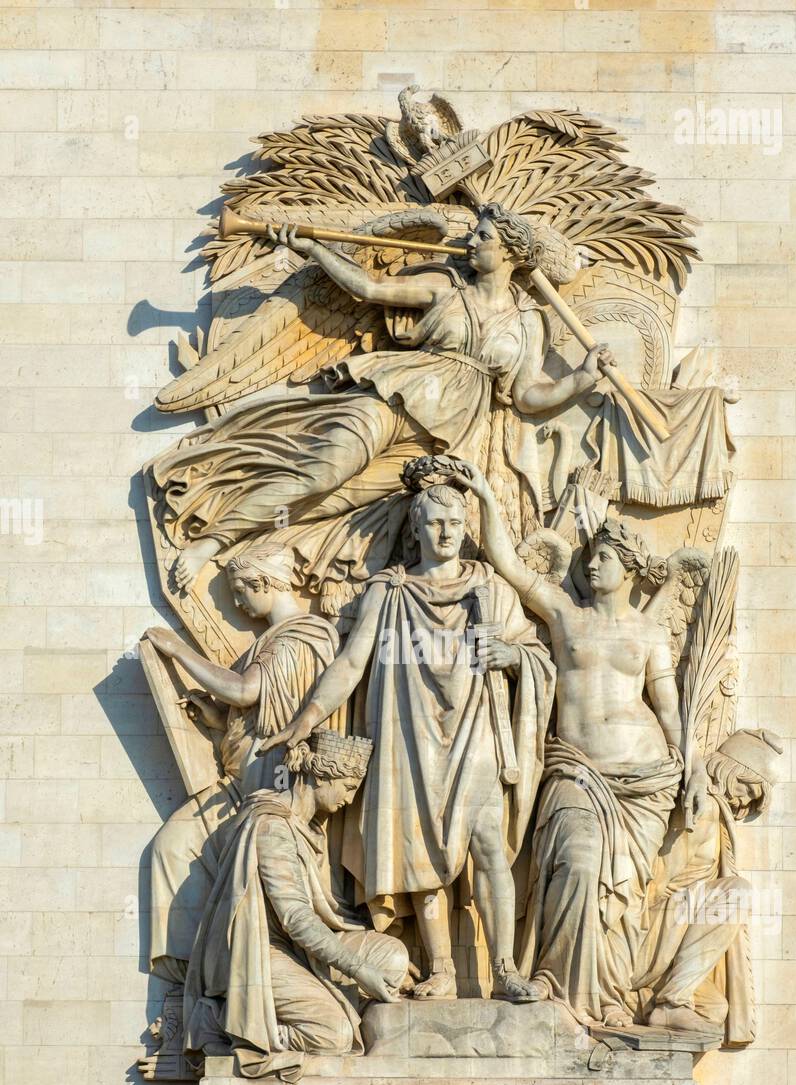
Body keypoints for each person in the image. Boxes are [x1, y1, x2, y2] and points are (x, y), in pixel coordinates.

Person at [150, 202, 614, 590]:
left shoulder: (528, 321)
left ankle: (252, 537)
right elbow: (369, 288)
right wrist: (315, 248)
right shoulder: (444, 287)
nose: (471, 243)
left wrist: (582, 379)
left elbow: (527, 395)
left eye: (484, 237)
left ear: (511, 250)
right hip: (396, 394)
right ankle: (213, 539)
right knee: (324, 471)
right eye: (473, 234)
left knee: (340, 496)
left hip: (443, 437)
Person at [260, 475, 556, 1002]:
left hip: (477, 728)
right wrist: (308, 716)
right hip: (411, 733)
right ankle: (441, 967)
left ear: (468, 529)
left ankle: (505, 968)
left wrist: (512, 658)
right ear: (417, 528)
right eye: (436, 523)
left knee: (488, 843)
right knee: (419, 852)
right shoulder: (390, 589)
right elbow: (352, 661)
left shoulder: (491, 588)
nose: (446, 533)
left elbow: (536, 653)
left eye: (456, 524)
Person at [453, 457, 708, 1027]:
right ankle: (558, 982)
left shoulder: (648, 631)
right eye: (591, 557)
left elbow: (667, 708)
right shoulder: (565, 614)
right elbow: (511, 566)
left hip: (642, 778)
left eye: (605, 558)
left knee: (615, 900)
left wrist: (693, 769)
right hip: (574, 771)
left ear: (631, 570)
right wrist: (487, 501)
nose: (592, 565)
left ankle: (608, 997)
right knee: (576, 862)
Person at [144, 543, 338, 984]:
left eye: (240, 591)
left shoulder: (299, 636)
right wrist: (218, 722)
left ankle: (213, 976)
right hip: (242, 781)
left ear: (265, 583)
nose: (236, 603)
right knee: (172, 846)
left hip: (269, 789)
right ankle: (196, 975)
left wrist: (178, 651)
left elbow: (248, 691)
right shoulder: (274, 640)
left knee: (181, 850)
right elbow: (255, 709)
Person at [184, 731, 409, 1082]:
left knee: (394, 957)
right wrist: (359, 970)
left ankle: (331, 997)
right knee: (333, 1035)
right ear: (321, 776)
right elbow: (297, 919)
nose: (350, 799)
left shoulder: (307, 829)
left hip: (301, 950)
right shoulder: (272, 827)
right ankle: (230, 1025)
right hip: (260, 952)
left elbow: (324, 914)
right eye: (348, 787)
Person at [634, 728, 782, 1043]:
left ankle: (659, 1002)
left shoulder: (712, 810)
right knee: (736, 892)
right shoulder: (704, 811)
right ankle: (672, 1001)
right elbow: (652, 884)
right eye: (747, 789)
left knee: (715, 1009)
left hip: (668, 933)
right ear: (730, 771)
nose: (745, 800)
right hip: (642, 936)